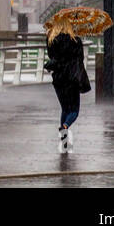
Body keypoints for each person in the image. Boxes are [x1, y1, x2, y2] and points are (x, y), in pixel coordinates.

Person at [45, 20, 90, 153]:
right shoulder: (75, 40)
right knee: (74, 110)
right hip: (72, 78)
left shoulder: (51, 40)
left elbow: (52, 57)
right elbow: (80, 58)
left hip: (58, 79)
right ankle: (65, 126)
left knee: (64, 108)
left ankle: (64, 142)